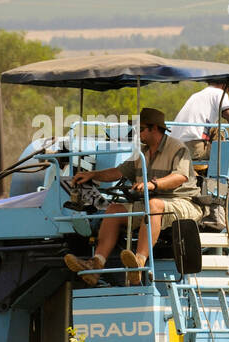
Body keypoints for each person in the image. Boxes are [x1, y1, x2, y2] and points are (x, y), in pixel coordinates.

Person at [63, 107, 202, 286]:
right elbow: (118, 172)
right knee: (113, 210)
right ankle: (96, 265)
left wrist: (153, 184)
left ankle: (138, 263)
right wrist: (93, 175)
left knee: (154, 206)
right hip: (149, 203)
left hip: (183, 202)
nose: (137, 133)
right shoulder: (141, 153)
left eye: (141, 129)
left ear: (154, 129)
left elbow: (180, 177)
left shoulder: (177, 148)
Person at [170, 82, 229, 160]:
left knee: (216, 127)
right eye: (227, 91)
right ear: (224, 85)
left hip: (174, 147)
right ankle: (218, 179)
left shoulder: (196, 95)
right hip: (192, 149)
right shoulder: (219, 93)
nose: (227, 94)